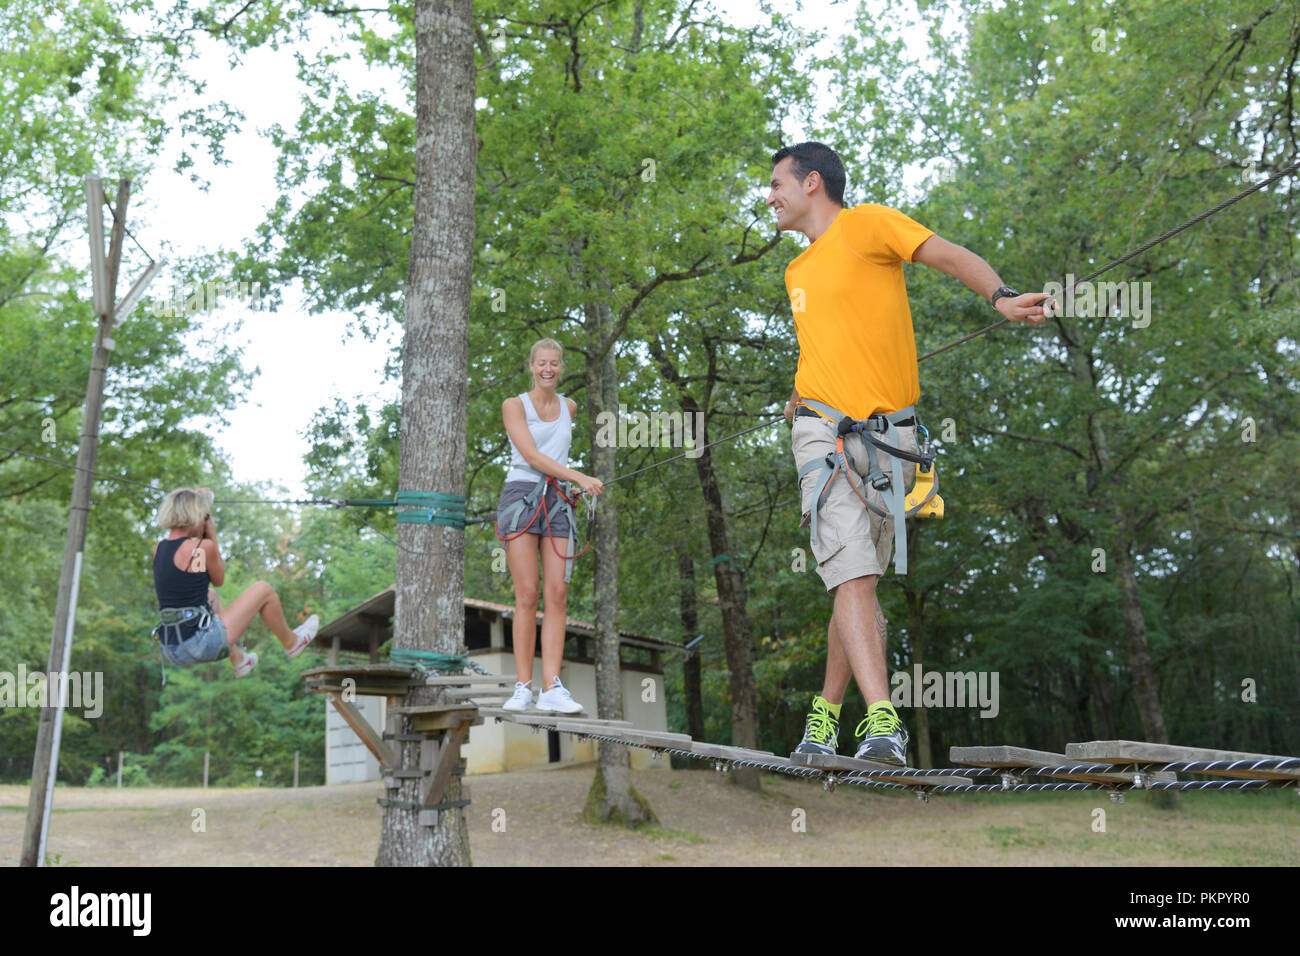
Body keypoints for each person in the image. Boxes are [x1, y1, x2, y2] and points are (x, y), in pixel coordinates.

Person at [768, 142, 1048, 765]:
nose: (770, 196)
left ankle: (823, 719)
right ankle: (883, 725)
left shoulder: (869, 224)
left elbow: (948, 255)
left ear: (812, 183)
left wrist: (999, 296)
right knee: (853, 572)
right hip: (822, 435)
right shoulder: (795, 272)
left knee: (857, 580)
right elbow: (824, 346)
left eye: (776, 183)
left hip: (895, 439)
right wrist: (798, 395)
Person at [496, 339, 604, 713]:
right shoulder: (514, 406)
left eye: (554, 364)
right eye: (541, 363)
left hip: (557, 499)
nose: (548, 369)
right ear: (531, 365)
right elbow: (531, 455)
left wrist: (571, 484)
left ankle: (551, 688)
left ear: (561, 368)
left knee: (557, 594)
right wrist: (580, 475)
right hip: (521, 495)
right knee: (527, 594)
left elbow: (554, 457)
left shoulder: (568, 407)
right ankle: (523, 686)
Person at [151, 486, 319, 677]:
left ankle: (239, 661)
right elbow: (218, 579)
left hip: (172, 647)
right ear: (194, 515)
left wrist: (201, 499)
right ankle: (292, 643)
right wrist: (212, 535)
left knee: (210, 595)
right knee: (263, 589)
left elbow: (195, 578)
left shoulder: (159, 549)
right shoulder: (202, 547)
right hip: (198, 644)